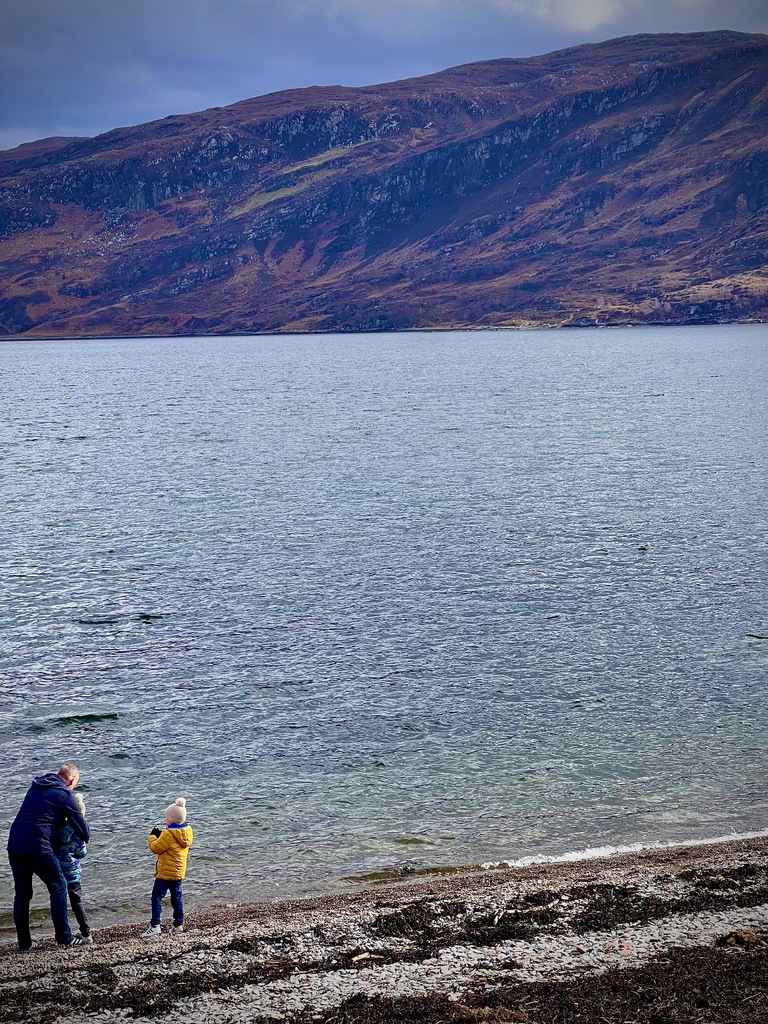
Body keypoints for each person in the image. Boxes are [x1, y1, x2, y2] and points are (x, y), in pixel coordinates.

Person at [7, 763, 91, 950]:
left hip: (15, 843)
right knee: (58, 887)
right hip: (38, 845)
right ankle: (64, 937)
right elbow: (81, 826)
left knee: (22, 894)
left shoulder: (36, 786)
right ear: (72, 780)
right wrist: (83, 839)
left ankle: (25, 943)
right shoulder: (64, 793)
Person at [141, 797, 194, 938]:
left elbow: (155, 848)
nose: (166, 821)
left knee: (156, 897)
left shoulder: (168, 834)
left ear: (172, 820)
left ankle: (155, 926)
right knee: (177, 899)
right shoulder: (187, 832)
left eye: (167, 818)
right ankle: (178, 925)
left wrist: (152, 837)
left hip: (165, 873)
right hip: (178, 873)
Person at [55, 791, 92, 944]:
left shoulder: (61, 829)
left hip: (59, 870)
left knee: (59, 901)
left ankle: (62, 933)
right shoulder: (78, 832)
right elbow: (82, 853)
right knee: (77, 903)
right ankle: (86, 933)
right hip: (73, 873)